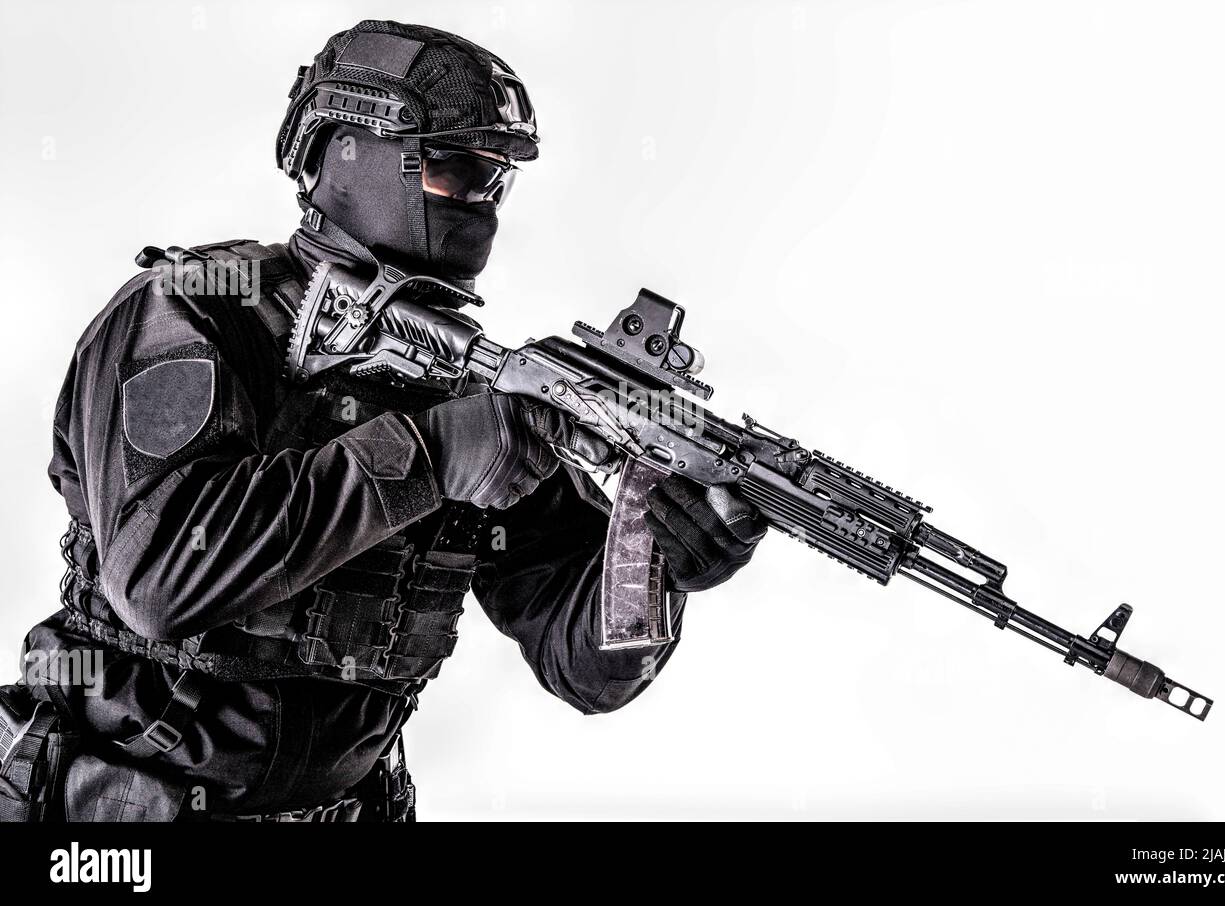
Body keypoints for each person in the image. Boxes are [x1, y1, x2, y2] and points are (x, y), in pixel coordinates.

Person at [15, 20, 765, 821]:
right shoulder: (194, 309)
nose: (481, 201)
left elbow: (581, 663)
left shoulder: (467, 384)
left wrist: (650, 557)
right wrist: (436, 455)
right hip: (113, 817)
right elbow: (161, 578)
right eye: (451, 168)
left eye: (496, 179)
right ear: (346, 151)